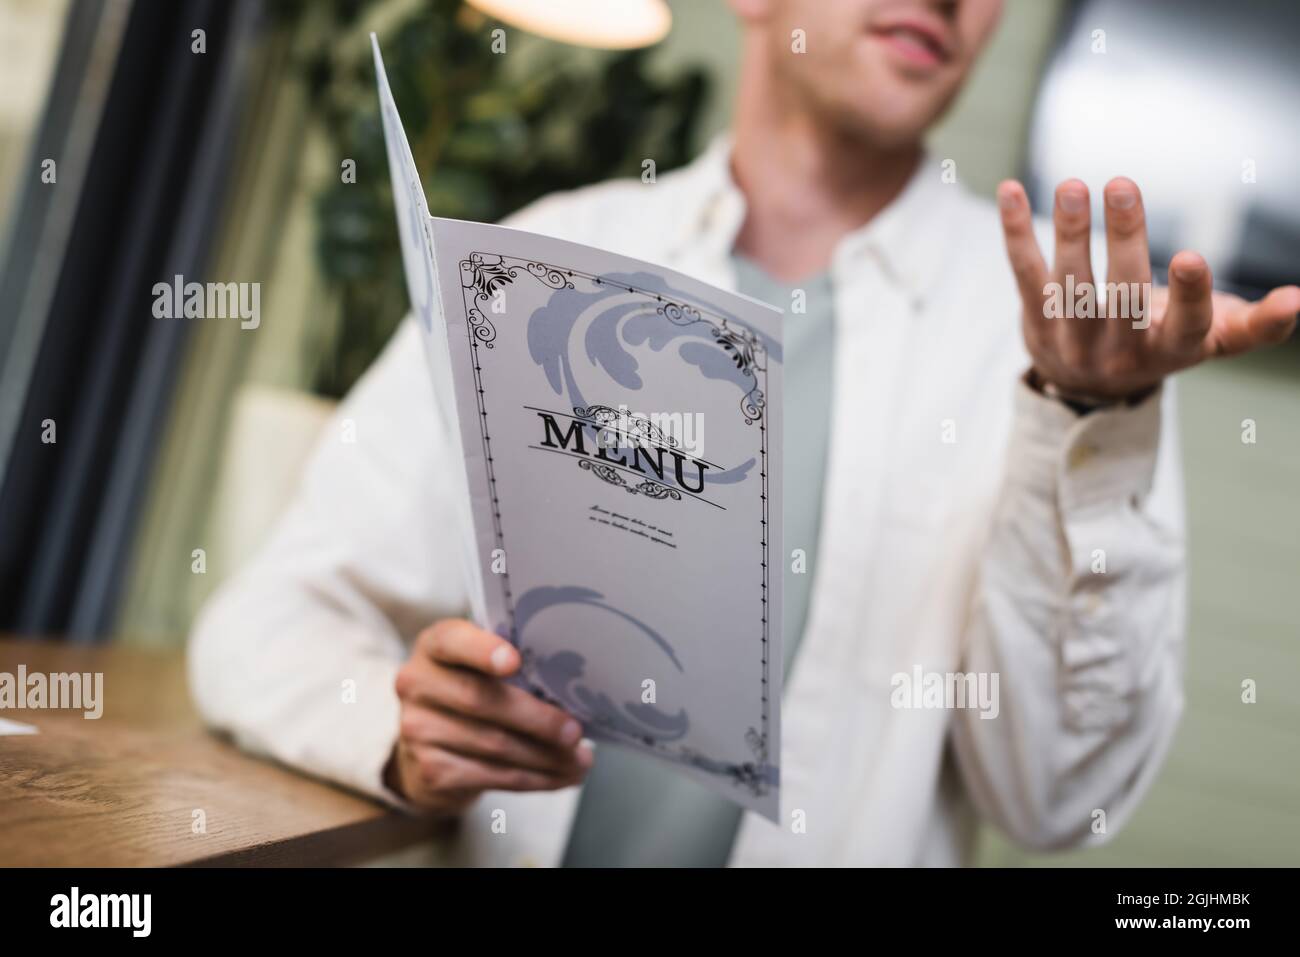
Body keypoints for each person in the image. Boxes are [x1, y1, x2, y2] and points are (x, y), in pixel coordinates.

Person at [188, 0, 1299, 866]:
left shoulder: (1060, 338)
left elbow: (1064, 800)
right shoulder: (538, 262)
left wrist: (1088, 420)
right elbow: (261, 625)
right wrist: (402, 729)